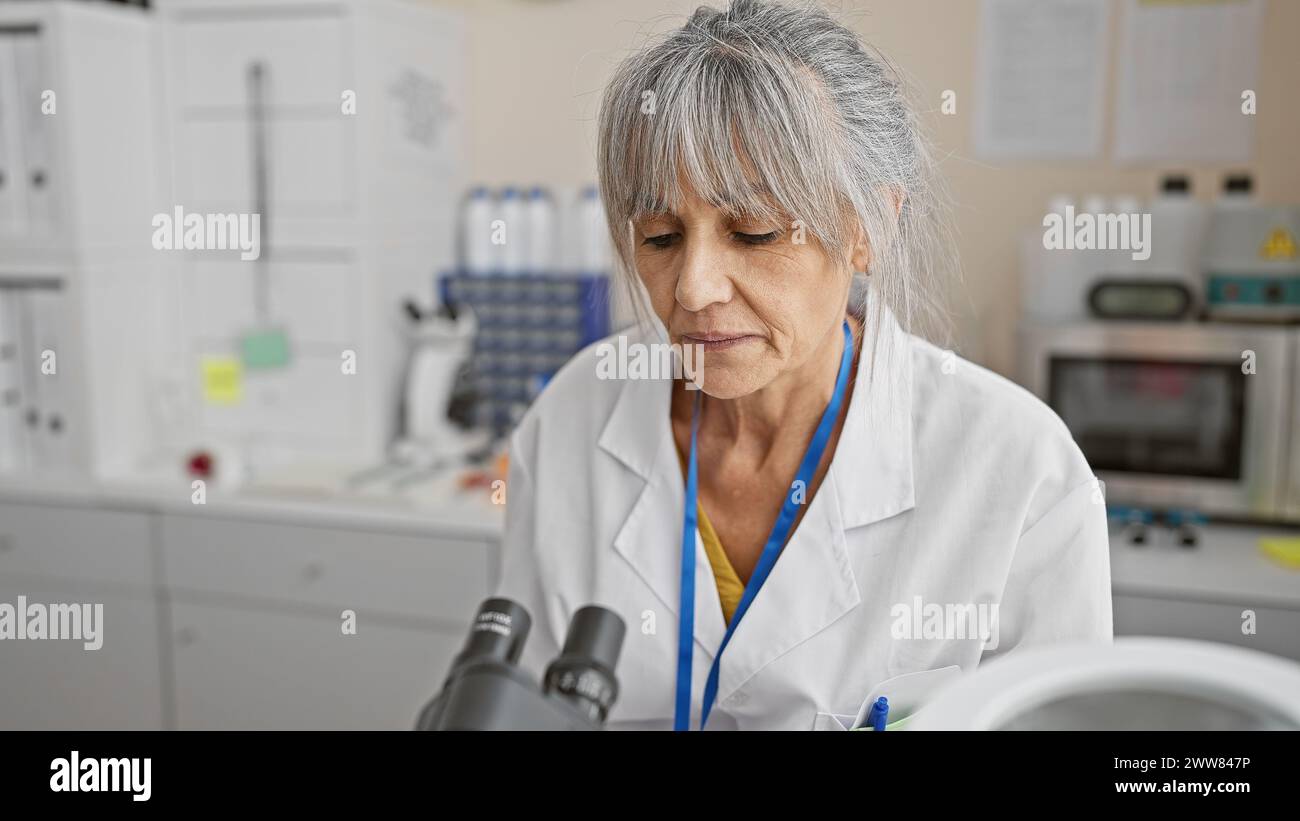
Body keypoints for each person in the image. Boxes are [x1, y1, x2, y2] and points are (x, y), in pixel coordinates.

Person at [494, 0, 1111, 730]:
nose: (694, 288)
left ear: (865, 230)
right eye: (660, 237)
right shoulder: (569, 418)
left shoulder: (1019, 471)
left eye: (752, 232)